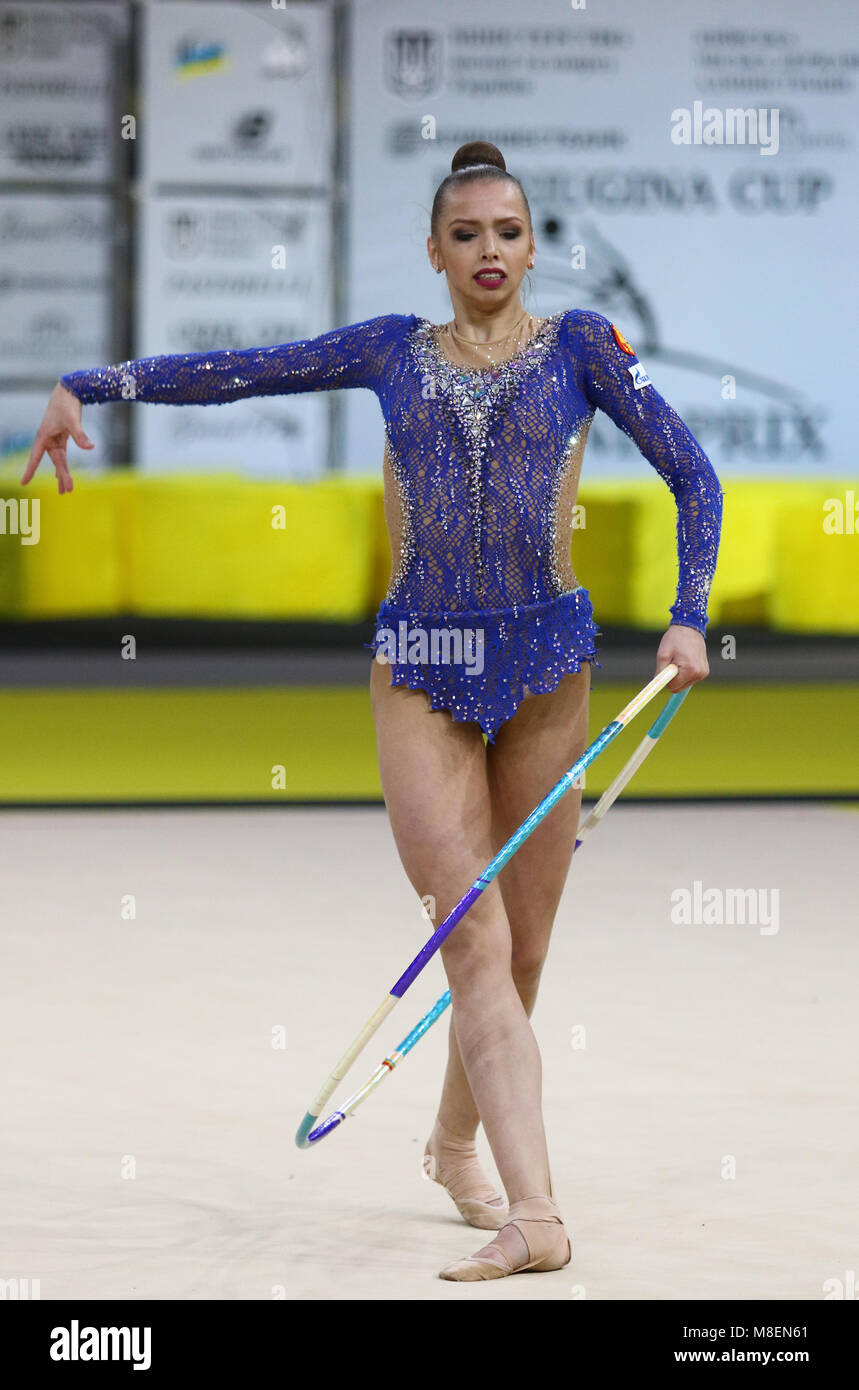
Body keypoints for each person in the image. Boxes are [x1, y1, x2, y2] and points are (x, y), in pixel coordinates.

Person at [23, 140, 723, 1281]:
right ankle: (538, 1216)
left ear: (532, 245)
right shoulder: (390, 351)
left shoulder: (585, 348)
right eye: (466, 234)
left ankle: (454, 1147)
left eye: (507, 231)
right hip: (423, 667)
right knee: (477, 941)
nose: (488, 251)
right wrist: (93, 385)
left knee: (527, 948)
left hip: (549, 663)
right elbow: (244, 369)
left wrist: (689, 613)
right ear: (435, 251)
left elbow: (694, 473)